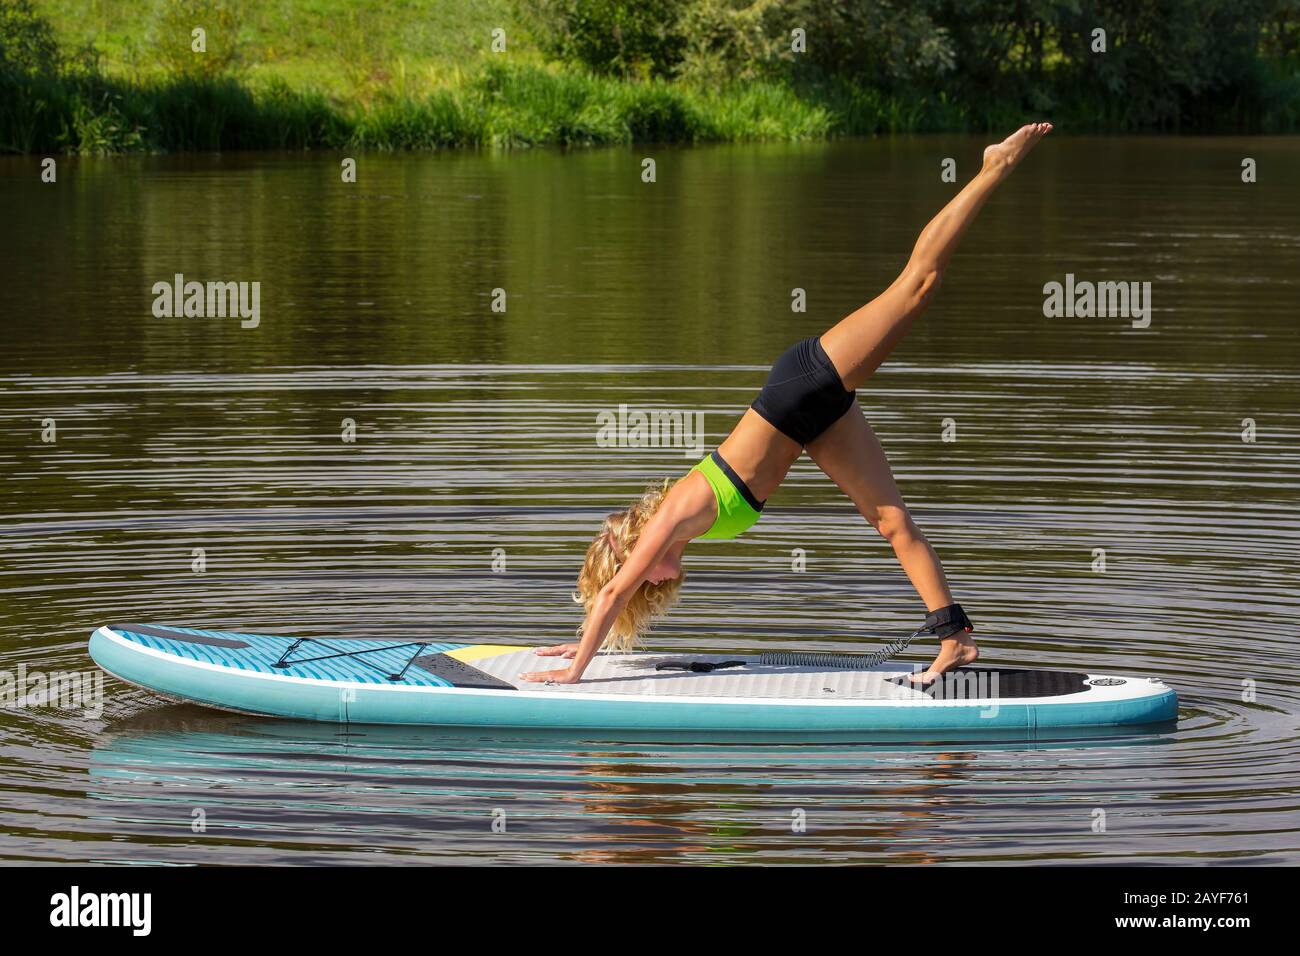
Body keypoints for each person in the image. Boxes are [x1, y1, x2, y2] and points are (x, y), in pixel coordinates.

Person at [523, 122, 1054, 686]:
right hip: (811, 425)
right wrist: (584, 644)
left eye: (641, 577)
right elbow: (612, 597)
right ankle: (956, 639)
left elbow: (612, 589)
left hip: (801, 383)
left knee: (917, 285)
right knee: (891, 523)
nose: (648, 584)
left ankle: (992, 166)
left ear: (633, 550)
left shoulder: (673, 512)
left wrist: (574, 674)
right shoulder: (681, 531)